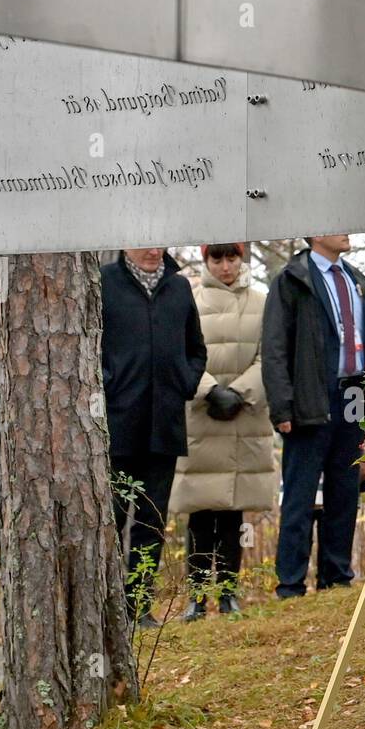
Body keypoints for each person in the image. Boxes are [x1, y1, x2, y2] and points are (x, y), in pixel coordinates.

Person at [261, 234, 365, 599]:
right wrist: (282, 407)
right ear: (314, 232)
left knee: (345, 491)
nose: (347, 231)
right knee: (299, 495)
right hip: (309, 400)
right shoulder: (292, 279)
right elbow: (275, 347)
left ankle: (336, 578)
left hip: (353, 397)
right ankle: (291, 585)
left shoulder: (357, 281)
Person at [101, 247, 207, 628]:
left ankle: (139, 607)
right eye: (142, 241)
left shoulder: (178, 287)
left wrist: (185, 383)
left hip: (165, 426)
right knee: (108, 520)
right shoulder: (104, 282)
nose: (150, 250)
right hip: (115, 426)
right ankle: (105, 609)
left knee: (151, 521)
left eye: (158, 242)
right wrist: (107, 385)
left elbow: (197, 349)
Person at [170, 243, 275, 620]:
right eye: (218, 258)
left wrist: (240, 393)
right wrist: (210, 390)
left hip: (244, 414)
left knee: (233, 510)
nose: (226, 266)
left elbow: (270, 355)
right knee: (199, 510)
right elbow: (179, 352)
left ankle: (229, 592)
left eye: (232, 257)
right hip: (200, 412)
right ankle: (196, 596)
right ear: (206, 260)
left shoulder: (262, 301)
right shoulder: (189, 298)